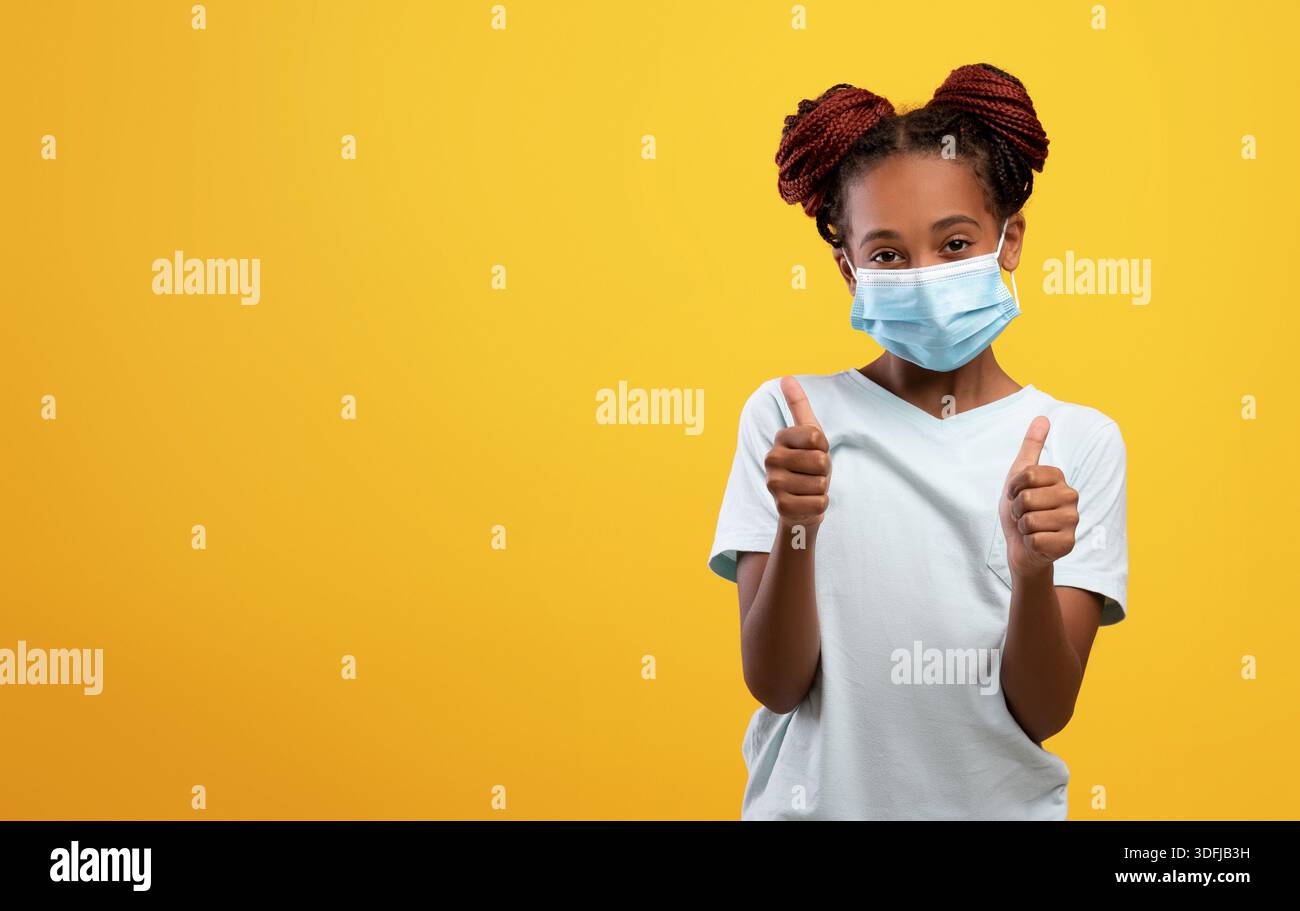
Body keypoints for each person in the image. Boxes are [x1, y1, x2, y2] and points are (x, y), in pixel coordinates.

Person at [707, 64, 1128, 820]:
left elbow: (1046, 709)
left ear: (1010, 242)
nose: (925, 275)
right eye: (890, 255)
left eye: (955, 242)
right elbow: (774, 682)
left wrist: (1033, 572)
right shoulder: (791, 423)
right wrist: (797, 525)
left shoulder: (1076, 443)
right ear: (850, 270)